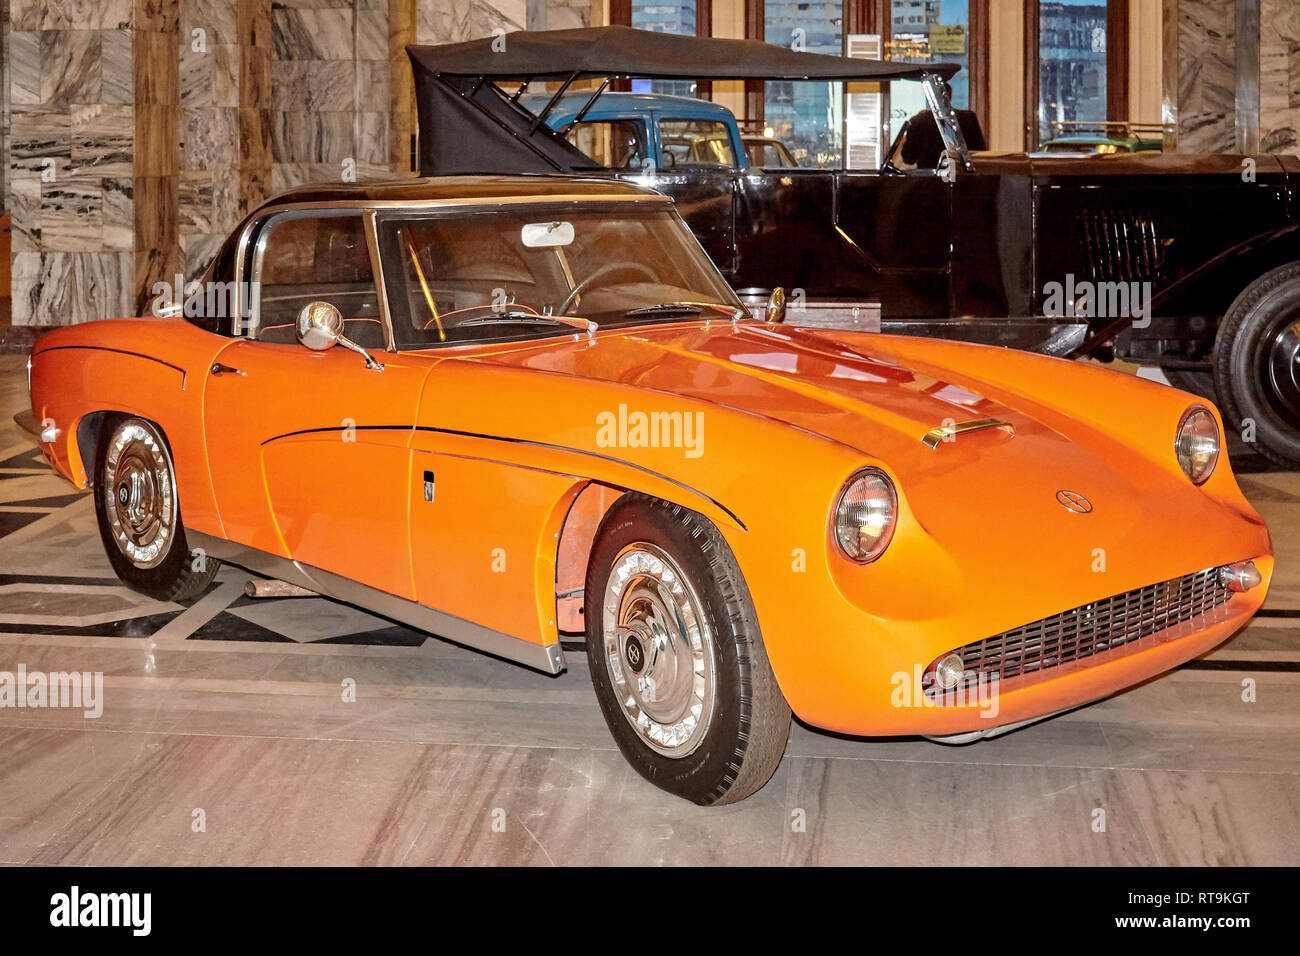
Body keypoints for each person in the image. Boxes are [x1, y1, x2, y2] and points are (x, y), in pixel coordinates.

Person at [898, 80, 987, 170]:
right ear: (950, 97)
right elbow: (980, 152)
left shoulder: (917, 121)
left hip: (929, 178)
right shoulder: (968, 118)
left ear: (929, 98)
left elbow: (908, 158)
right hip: (961, 175)